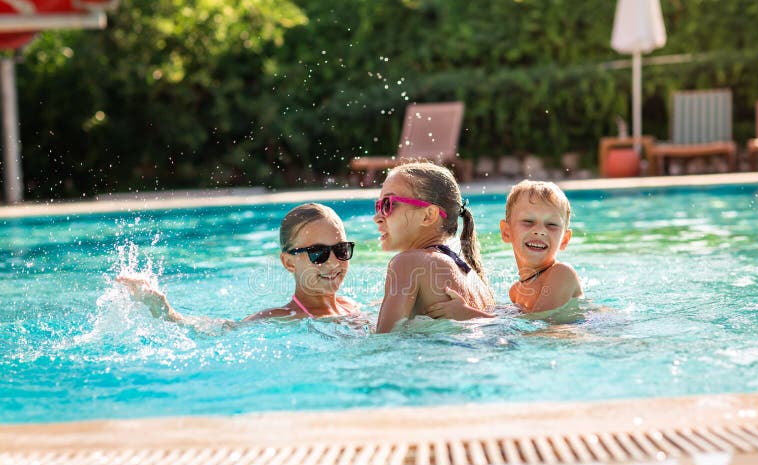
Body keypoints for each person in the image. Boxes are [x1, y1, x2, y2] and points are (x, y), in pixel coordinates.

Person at [118, 203, 359, 324]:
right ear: (289, 263)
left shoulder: (352, 308)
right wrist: (166, 312)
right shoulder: (282, 317)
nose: (333, 263)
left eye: (340, 250)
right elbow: (219, 332)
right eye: (318, 253)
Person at [427, 180, 582, 320]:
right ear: (506, 232)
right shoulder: (515, 292)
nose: (540, 231)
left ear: (565, 240)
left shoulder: (562, 273)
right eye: (528, 221)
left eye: (552, 225)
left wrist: (467, 314)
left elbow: (540, 326)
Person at [373, 161, 494, 333]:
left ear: (428, 215)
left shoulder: (408, 262)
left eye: (388, 204)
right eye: (378, 206)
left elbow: (382, 342)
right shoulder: (472, 274)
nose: (377, 217)